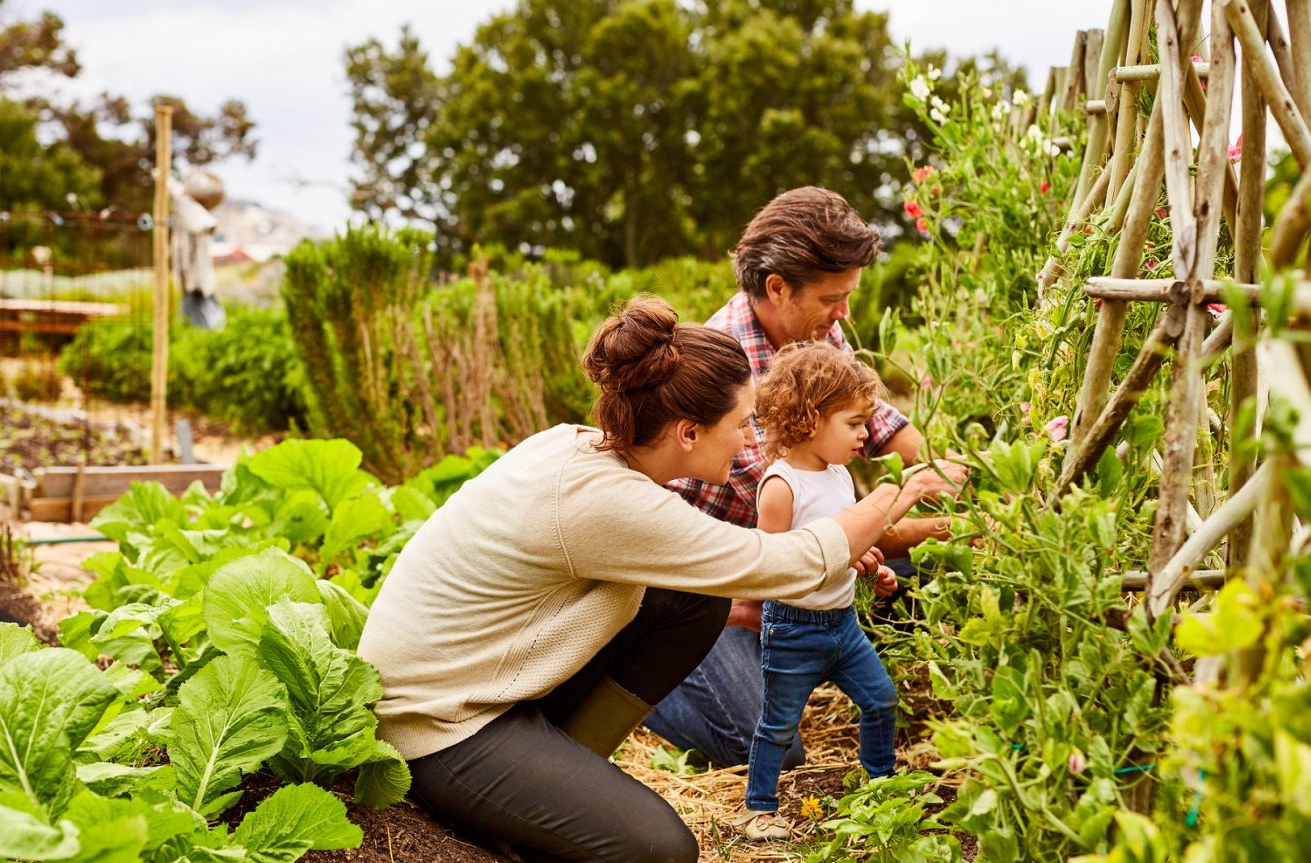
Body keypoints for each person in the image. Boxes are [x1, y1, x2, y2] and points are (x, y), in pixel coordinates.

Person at [358, 297, 967, 863]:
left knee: (690, 601)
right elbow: (782, 563)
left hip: (493, 679)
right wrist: (896, 495)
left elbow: (753, 566)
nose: (753, 439)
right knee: (662, 849)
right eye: (743, 423)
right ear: (688, 432)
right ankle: (518, 809)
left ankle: (563, 760)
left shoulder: (586, 450)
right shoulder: (606, 502)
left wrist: (851, 539)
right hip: (439, 724)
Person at [645, 186, 950, 769]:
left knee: (921, 572)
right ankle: (638, 680)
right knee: (774, 750)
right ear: (777, 287)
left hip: (788, 571)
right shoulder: (725, 376)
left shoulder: (810, 333)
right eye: (834, 298)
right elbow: (820, 534)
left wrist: (957, 473)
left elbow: (889, 428)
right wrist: (937, 525)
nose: (845, 316)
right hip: (710, 595)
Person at [731, 342, 914, 840]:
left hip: (843, 625)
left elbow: (840, 543)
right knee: (779, 724)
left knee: (880, 700)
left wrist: (867, 562)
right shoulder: (782, 486)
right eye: (854, 423)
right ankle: (758, 808)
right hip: (794, 628)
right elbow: (775, 567)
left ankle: (881, 783)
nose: (865, 434)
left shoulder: (839, 475)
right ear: (811, 420)